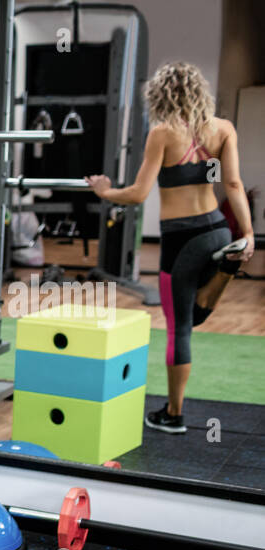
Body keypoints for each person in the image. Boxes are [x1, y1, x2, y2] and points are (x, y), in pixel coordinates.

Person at [87, 61, 254, 435]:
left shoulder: (162, 134)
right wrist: (247, 232)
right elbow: (233, 184)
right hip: (218, 230)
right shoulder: (223, 129)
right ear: (200, 91)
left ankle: (174, 414)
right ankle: (227, 267)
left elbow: (138, 194)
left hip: (181, 241)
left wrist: (105, 191)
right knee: (194, 316)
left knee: (180, 329)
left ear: (160, 96)